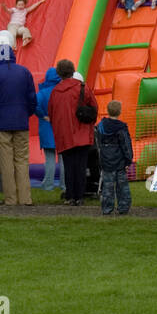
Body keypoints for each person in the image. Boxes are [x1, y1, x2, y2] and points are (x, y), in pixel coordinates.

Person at [0, 43, 37, 205]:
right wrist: (26, 114)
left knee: (6, 162)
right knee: (22, 160)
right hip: (21, 121)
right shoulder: (24, 72)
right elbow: (32, 98)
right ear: (13, 56)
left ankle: (11, 198)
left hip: (0, 123)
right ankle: (25, 198)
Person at [47, 59, 98, 206]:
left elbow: (52, 113)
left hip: (64, 135)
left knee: (68, 166)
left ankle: (70, 195)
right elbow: (94, 108)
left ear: (59, 73)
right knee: (81, 166)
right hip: (82, 133)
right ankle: (79, 196)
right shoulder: (82, 87)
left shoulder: (56, 92)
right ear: (72, 71)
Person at [96, 100, 133, 215]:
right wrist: (129, 159)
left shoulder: (101, 126)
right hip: (120, 161)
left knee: (107, 186)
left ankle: (107, 208)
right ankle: (123, 207)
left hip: (106, 159)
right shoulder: (121, 127)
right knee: (122, 186)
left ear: (107, 110)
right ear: (120, 111)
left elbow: (98, 142)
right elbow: (126, 145)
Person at [35, 67, 63, 192]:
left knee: (50, 159)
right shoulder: (62, 91)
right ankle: (64, 185)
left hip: (46, 128)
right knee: (63, 160)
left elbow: (34, 105)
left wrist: (43, 115)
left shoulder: (42, 93)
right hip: (61, 129)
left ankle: (48, 185)